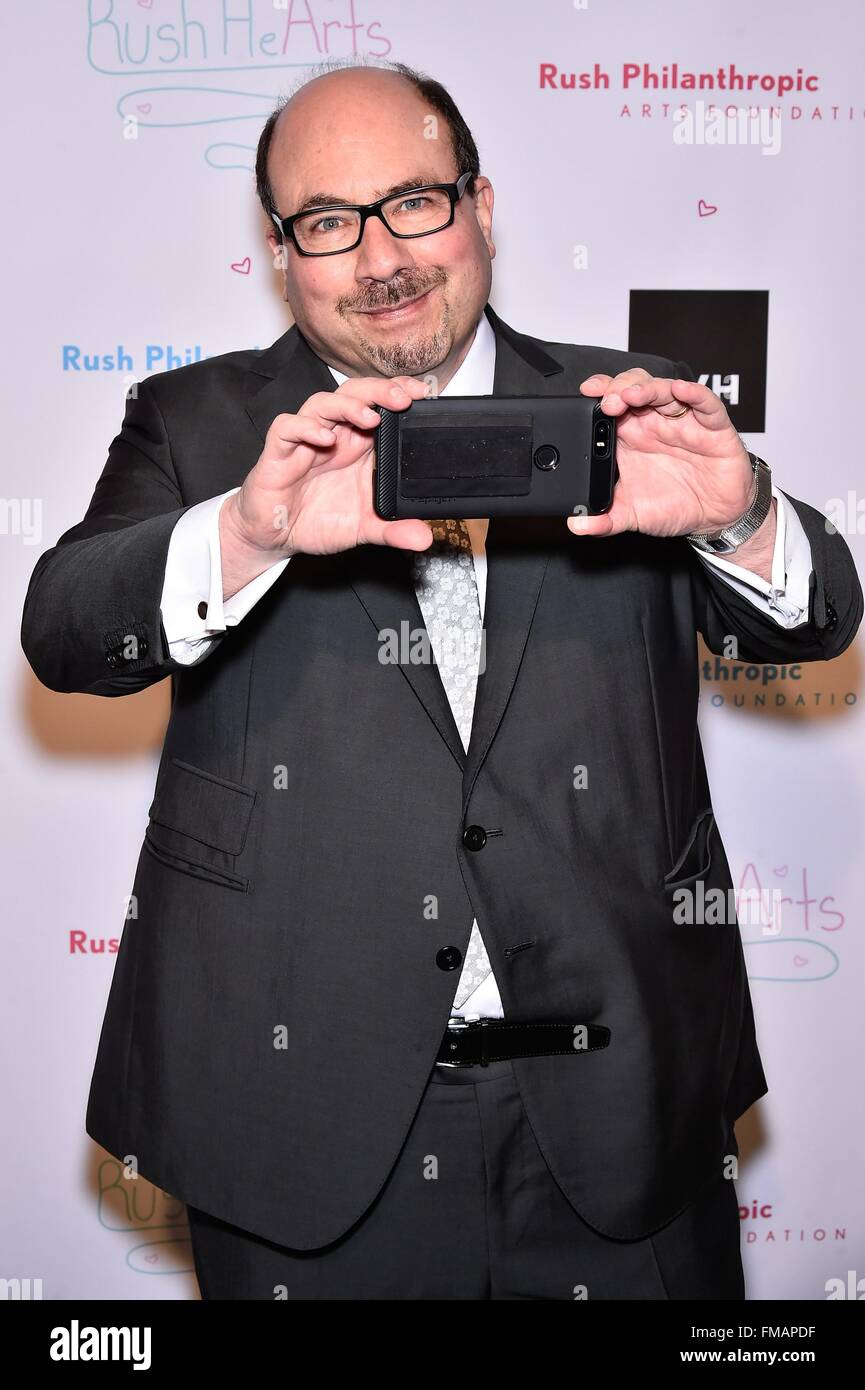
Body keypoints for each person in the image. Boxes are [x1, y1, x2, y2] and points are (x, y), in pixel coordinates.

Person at [20, 57, 861, 1301]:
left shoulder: (619, 407)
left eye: (414, 202)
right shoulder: (199, 424)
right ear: (281, 249)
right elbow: (66, 628)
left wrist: (735, 516)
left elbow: (817, 619)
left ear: (478, 202)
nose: (380, 256)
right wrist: (247, 534)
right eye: (327, 222)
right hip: (301, 1122)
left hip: (625, 1106)